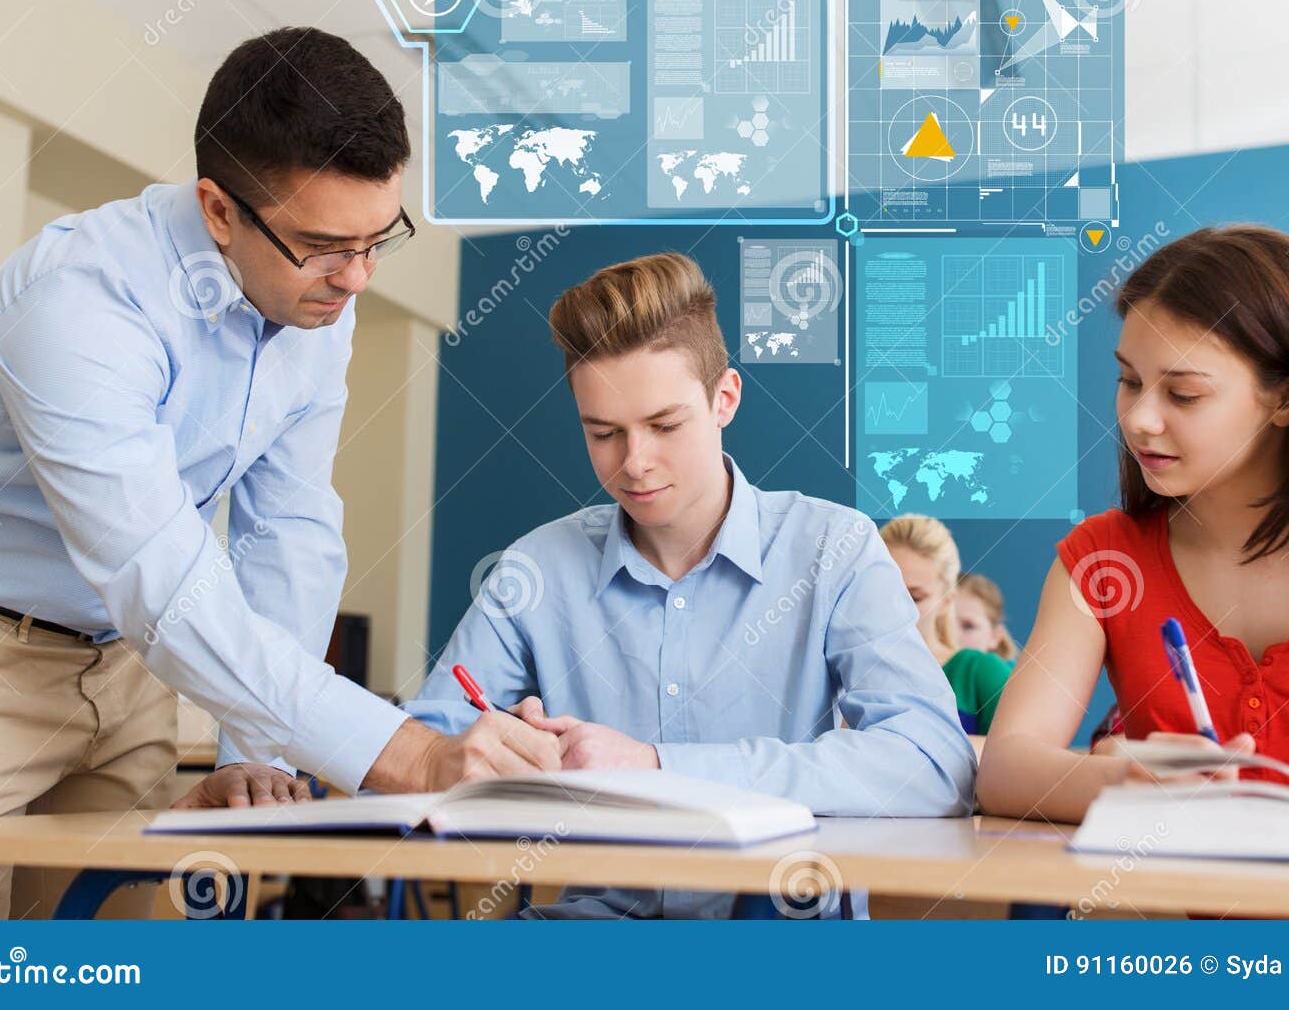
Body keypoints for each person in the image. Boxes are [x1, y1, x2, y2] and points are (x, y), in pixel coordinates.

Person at [0, 27, 558, 920]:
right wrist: (411, 754)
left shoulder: (315, 302)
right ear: (219, 209)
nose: (359, 279)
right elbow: (163, 573)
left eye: (380, 239)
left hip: (120, 665)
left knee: (113, 959)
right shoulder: (81, 300)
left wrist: (252, 750)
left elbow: (290, 529)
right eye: (325, 246)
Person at [406, 252, 975, 918]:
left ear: (724, 397)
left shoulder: (836, 549)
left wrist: (655, 766)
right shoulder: (537, 568)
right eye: (604, 433)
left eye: (664, 425)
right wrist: (491, 757)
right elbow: (418, 749)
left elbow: (936, 764)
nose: (635, 463)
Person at [978, 225, 1289, 822]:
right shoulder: (1104, 560)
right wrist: (1122, 777)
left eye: (1183, 395)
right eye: (1129, 381)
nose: (1140, 419)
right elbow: (1003, 770)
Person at [879, 515, 1013, 736]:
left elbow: (1019, 758)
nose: (895, 608)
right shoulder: (843, 674)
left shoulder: (979, 672)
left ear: (946, 601)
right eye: (884, 591)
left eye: (914, 597)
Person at [954, 573, 1020, 661]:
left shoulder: (1001, 672)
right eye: (940, 623)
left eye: (968, 626)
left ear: (995, 636)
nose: (951, 634)